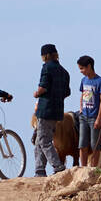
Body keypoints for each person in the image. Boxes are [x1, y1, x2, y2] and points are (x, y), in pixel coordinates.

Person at [32, 43, 71, 176]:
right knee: (39, 139)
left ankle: (58, 166)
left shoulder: (46, 68)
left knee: (44, 141)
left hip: (45, 109)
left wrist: (36, 93)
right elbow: (67, 92)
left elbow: (43, 87)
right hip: (57, 111)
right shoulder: (64, 71)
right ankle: (39, 170)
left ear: (45, 56)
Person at [76, 56, 101, 166]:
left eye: (82, 68)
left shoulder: (100, 81)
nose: (81, 71)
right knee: (82, 144)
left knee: (95, 145)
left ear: (89, 66)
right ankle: (83, 168)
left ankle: (94, 169)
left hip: (94, 117)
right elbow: (82, 94)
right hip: (84, 116)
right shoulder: (83, 80)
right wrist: (81, 108)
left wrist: (99, 118)